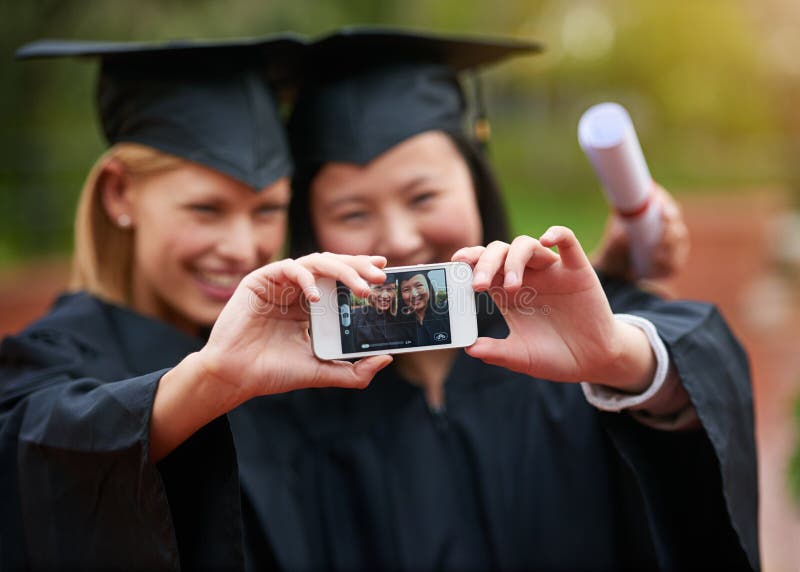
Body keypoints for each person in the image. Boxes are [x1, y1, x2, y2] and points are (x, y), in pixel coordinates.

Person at [227, 28, 755, 570]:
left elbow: (704, 369)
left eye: (424, 196)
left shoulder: (573, 329)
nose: (400, 238)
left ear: (476, 184)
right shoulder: (281, 417)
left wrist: (614, 356)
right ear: (311, 227)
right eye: (352, 214)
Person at [0, 36, 395, 571]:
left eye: (267, 210)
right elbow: (35, 453)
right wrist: (211, 381)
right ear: (120, 195)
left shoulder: (308, 356)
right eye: (206, 209)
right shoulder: (54, 358)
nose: (240, 249)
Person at [396, 270, 452, 346]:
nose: (414, 294)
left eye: (419, 286)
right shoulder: (399, 327)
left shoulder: (448, 315)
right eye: (406, 290)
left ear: (429, 286)